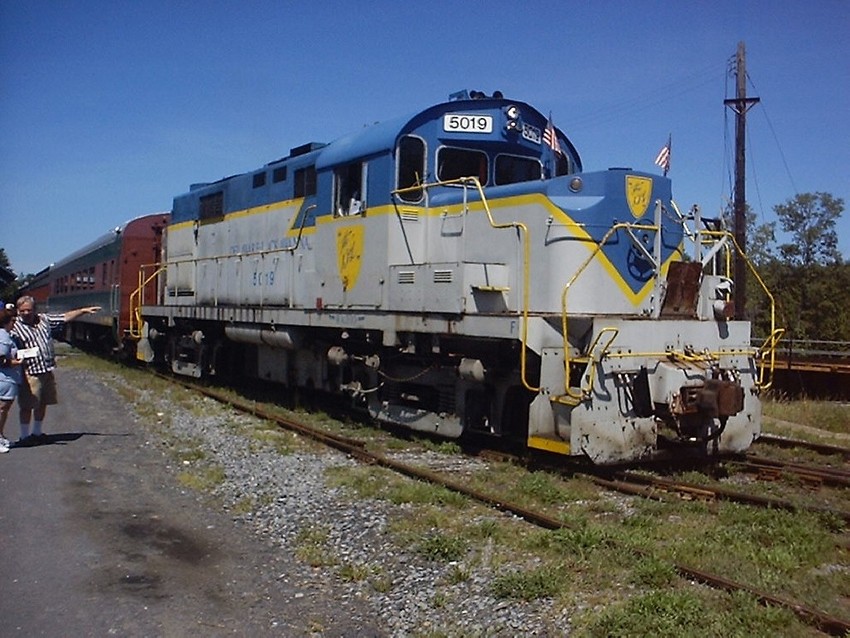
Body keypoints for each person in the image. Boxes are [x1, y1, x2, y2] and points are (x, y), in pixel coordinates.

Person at [11, 296, 100, 445]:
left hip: (46, 370)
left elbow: (64, 317)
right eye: (22, 311)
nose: (26, 313)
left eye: (29, 310)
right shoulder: (14, 326)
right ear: (18, 311)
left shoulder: (44, 319)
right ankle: (24, 437)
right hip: (29, 372)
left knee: (43, 402)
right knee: (27, 405)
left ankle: (37, 432)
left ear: (34, 309)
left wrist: (83, 311)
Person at [0, 306, 24, 453]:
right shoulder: (3, 338)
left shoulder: (7, 336)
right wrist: (16, 362)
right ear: (6, 322)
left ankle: (1, 435)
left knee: (4, 409)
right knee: (2, 409)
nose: (15, 324)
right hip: (5, 379)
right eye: (13, 321)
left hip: (8, 379)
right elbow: (1, 360)